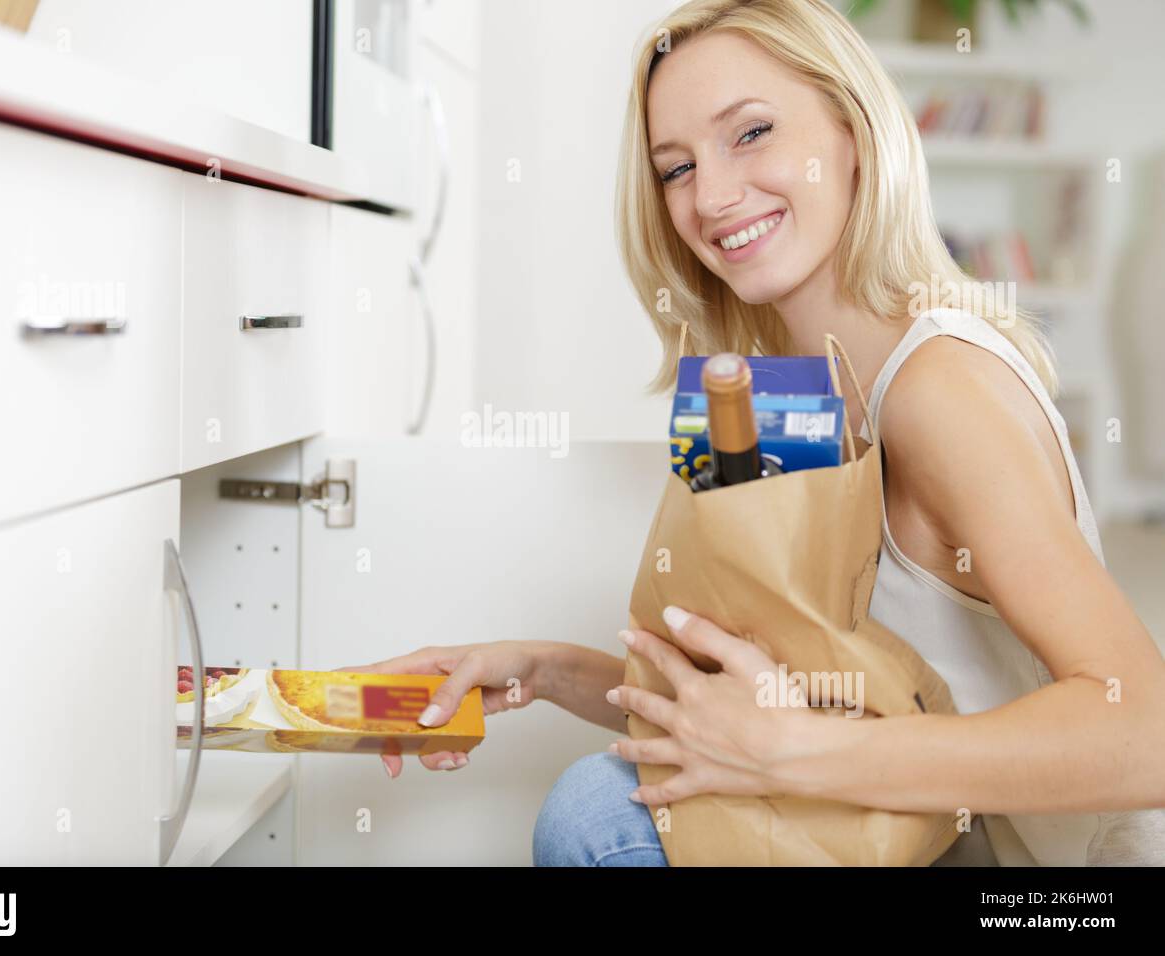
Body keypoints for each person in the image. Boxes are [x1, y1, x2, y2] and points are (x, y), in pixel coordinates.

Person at [346, 0, 1165, 866]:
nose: (713, 195)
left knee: (600, 808)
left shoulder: (939, 385)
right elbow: (756, 706)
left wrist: (798, 753)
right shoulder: (774, 390)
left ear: (853, 130)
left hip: (1027, 876)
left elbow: (1143, 732)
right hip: (900, 832)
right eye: (674, 169)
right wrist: (538, 670)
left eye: (752, 132)